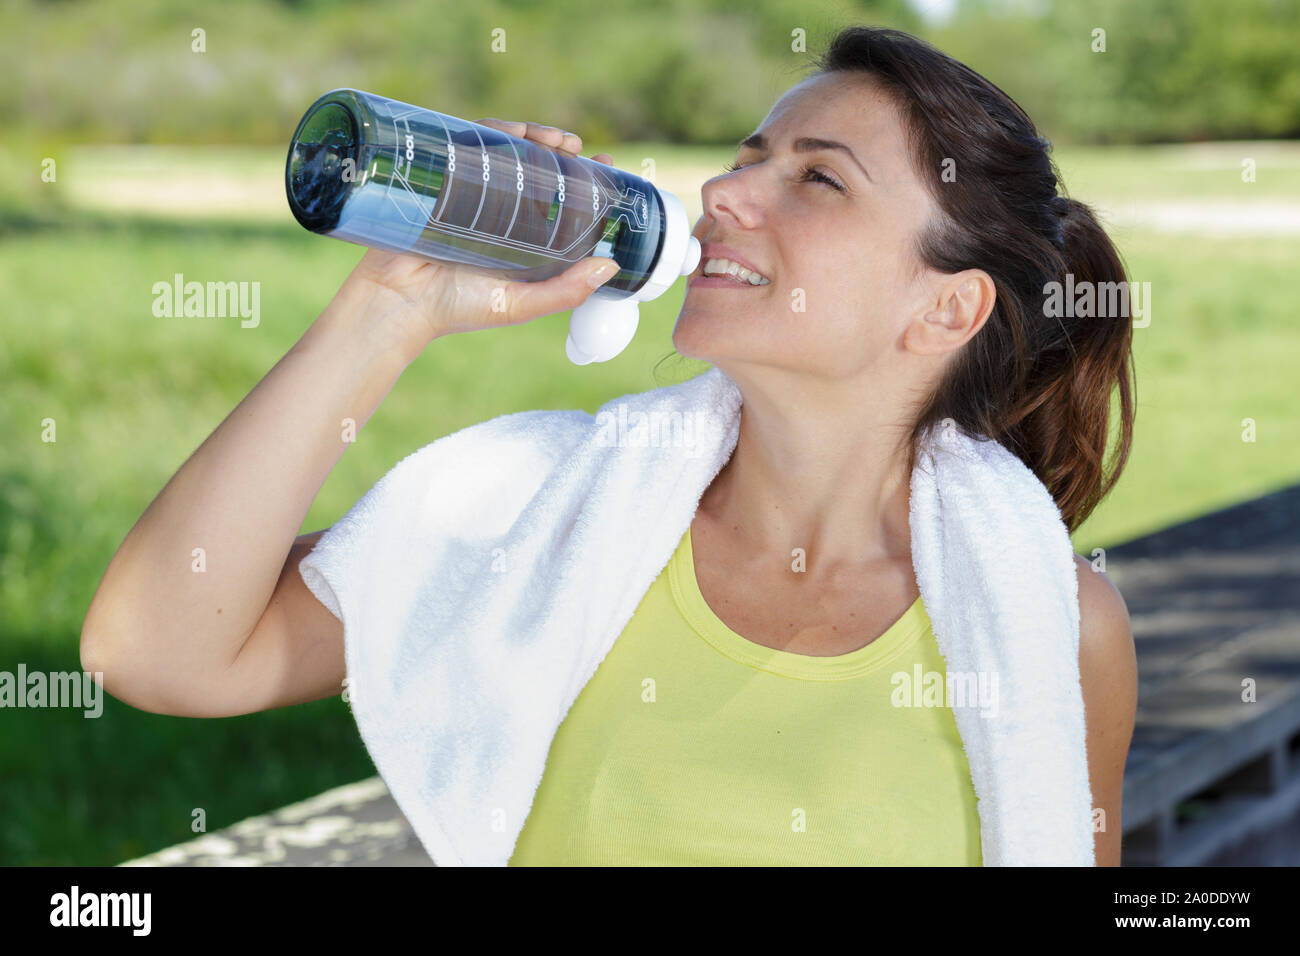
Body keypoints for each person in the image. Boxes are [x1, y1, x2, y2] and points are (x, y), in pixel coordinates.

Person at [81, 25, 1137, 866]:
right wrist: (386, 309)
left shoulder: (1053, 622)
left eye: (817, 180)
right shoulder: (538, 521)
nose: (724, 196)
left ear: (946, 310)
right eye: (748, 157)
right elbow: (155, 651)